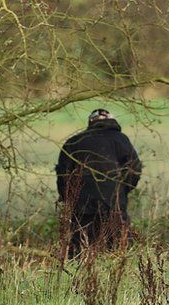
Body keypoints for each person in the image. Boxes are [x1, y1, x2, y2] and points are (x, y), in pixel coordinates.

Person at [55, 108, 142, 257]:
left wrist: (69, 199)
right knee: (118, 252)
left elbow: (63, 175)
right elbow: (134, 169)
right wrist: (121, 190)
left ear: (90, 123)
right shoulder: (120, 139)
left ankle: (79, 277)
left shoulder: (74, 142)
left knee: (80, 252)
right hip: (113, 204)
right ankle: (115, 278)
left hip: (82, 205)